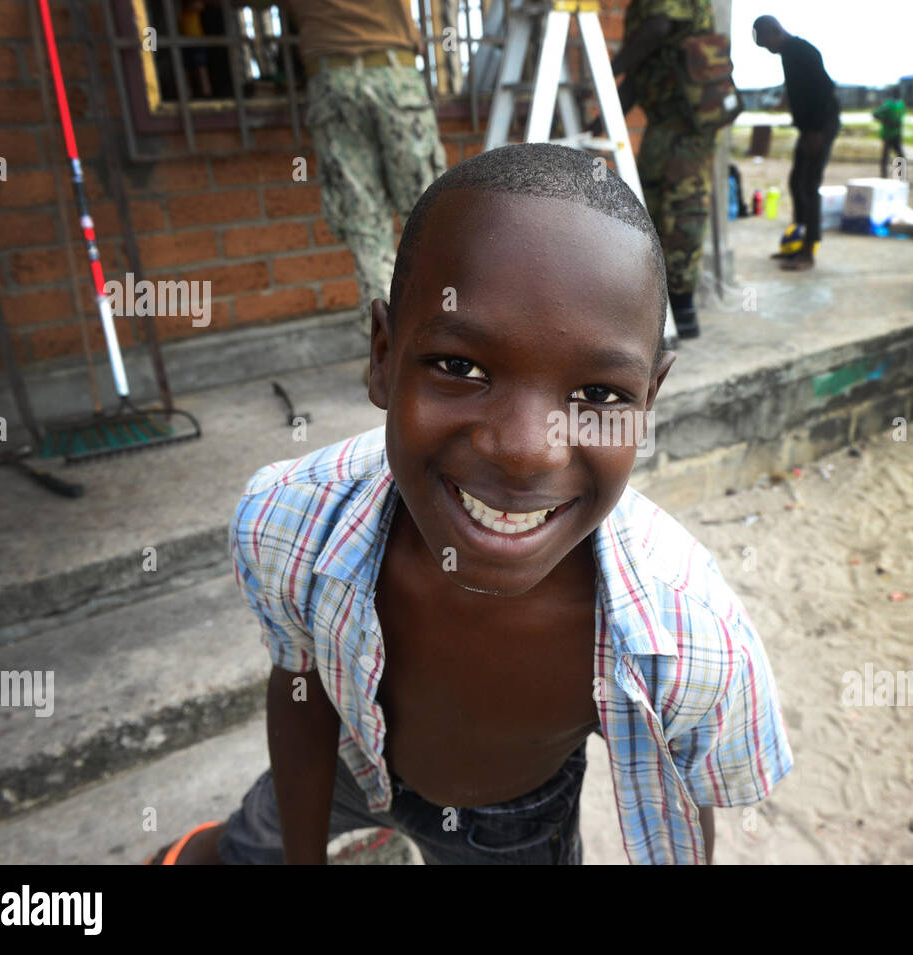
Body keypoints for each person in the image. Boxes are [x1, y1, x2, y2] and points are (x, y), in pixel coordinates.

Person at [145, 144, 793, 866]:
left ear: (648, 402)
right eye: (461, 367)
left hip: (512, 823)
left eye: (600, 394)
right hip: (347, 763)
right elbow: (300, 684)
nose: (526, 451)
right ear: (383, 355)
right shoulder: (293, 517)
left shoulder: (685, 635)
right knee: (243, 851)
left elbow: (681, 816)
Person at [286, 0, 446, 343]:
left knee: (366, 228)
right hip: (392, 70)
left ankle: (388, 355)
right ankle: (446, 341)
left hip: (331, 79)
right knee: (429, 216)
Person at [598, 0, 718, 339]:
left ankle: (682, 306)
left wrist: (609, 68)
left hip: (688, 123)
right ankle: (655, 303)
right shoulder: (641, 10)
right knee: (650, 208)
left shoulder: (656, 16)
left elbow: (658, 28)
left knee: (682, 211)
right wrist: (601, 118)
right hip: (662, 123)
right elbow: (640, 77)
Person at [752, 15, 841, 271]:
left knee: (809, 185)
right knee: (796, 182)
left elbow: (825, 90)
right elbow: (800, 87)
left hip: (821, 126)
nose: (767, 49)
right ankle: (797, 243)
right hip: (810, 127)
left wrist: (816, 131)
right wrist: (787, 101)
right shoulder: (789, 54)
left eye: (766, 43)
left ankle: (808, 251)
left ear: (775, 31)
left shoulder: (802, 51)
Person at [874, 86, 907, 180]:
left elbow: (900, 118)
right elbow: (876, 114)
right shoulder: (887, 105)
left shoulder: (901, 104)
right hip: (888, 134)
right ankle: (883, 175)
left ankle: (901, 177)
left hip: (897, 134)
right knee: (885, 155)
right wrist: (886, 121)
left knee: (900, 155)